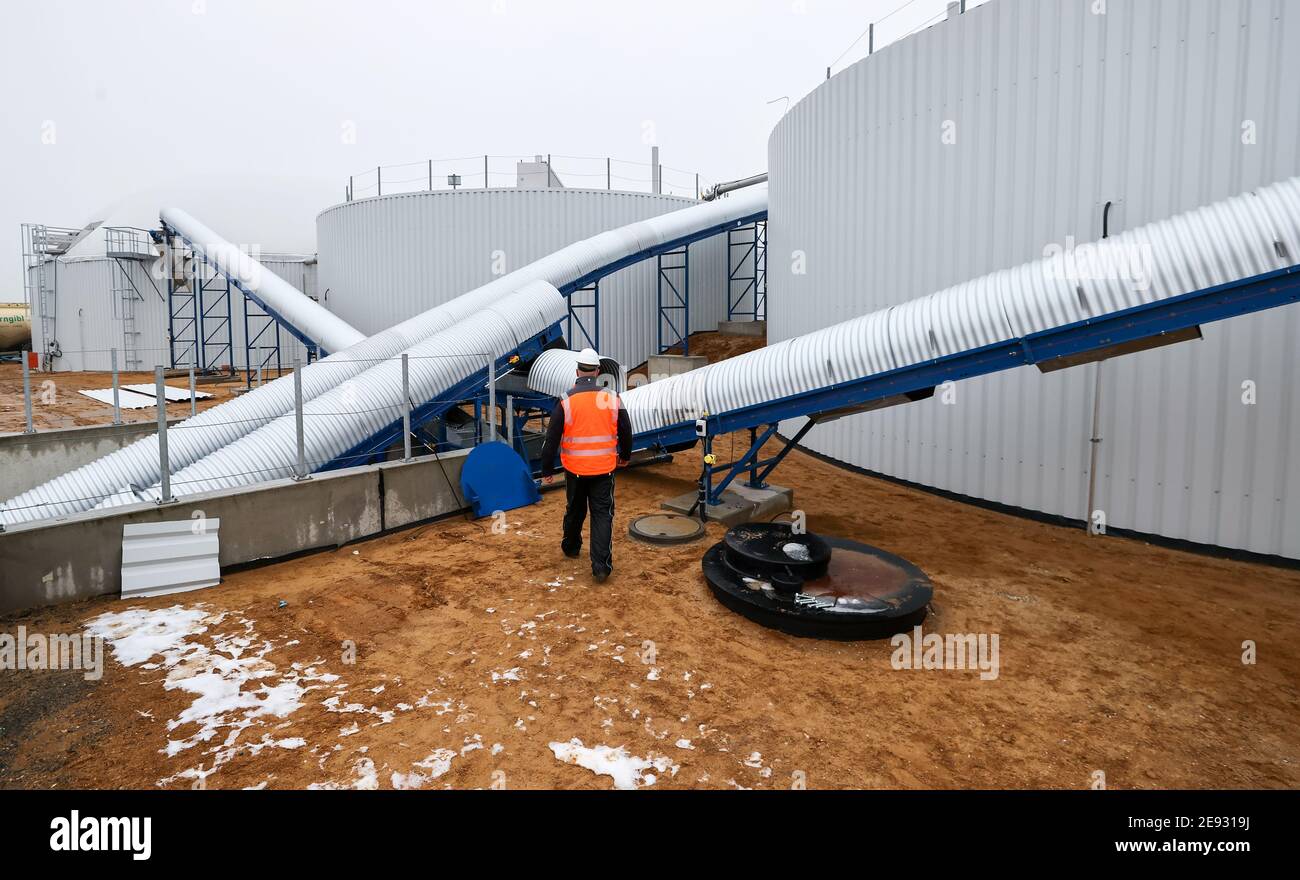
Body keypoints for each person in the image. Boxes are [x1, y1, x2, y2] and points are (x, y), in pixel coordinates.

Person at [539, 348, 632, 583]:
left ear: (577, 370)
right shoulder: (612, 397)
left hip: (575, 469)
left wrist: (547, 470)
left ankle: (570, 547)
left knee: (575, 508)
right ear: (598, 371)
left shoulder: (565, 400)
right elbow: (626, 429)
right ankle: (601, 566)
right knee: (602, 515)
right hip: (603, 469)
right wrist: (625, 456)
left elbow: (551, 438)